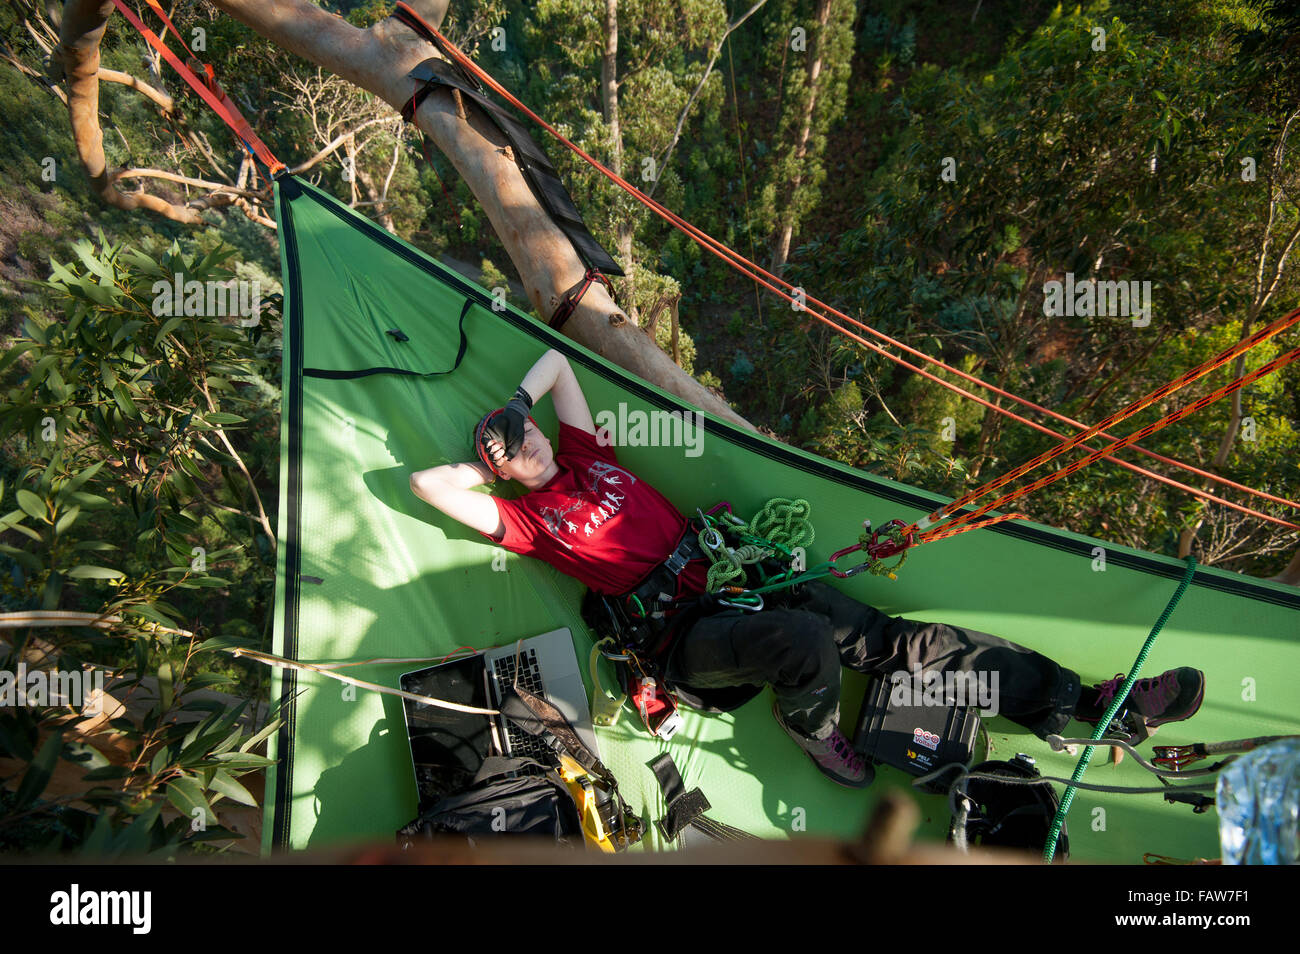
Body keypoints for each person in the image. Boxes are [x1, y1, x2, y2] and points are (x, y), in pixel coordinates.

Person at [410, 349, 1206, 787]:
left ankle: (1086, 700)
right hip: (684, 635)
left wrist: (515, 402)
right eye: (513, 450)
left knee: (902, 643)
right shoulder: (531, 521)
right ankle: (813, 727)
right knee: (805, 645)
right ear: (507, 474)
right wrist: (494, 465)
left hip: (731, 579)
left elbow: (557, 365)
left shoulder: (584, 453)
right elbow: (429, 485)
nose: (527, 443)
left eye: (523, 433)